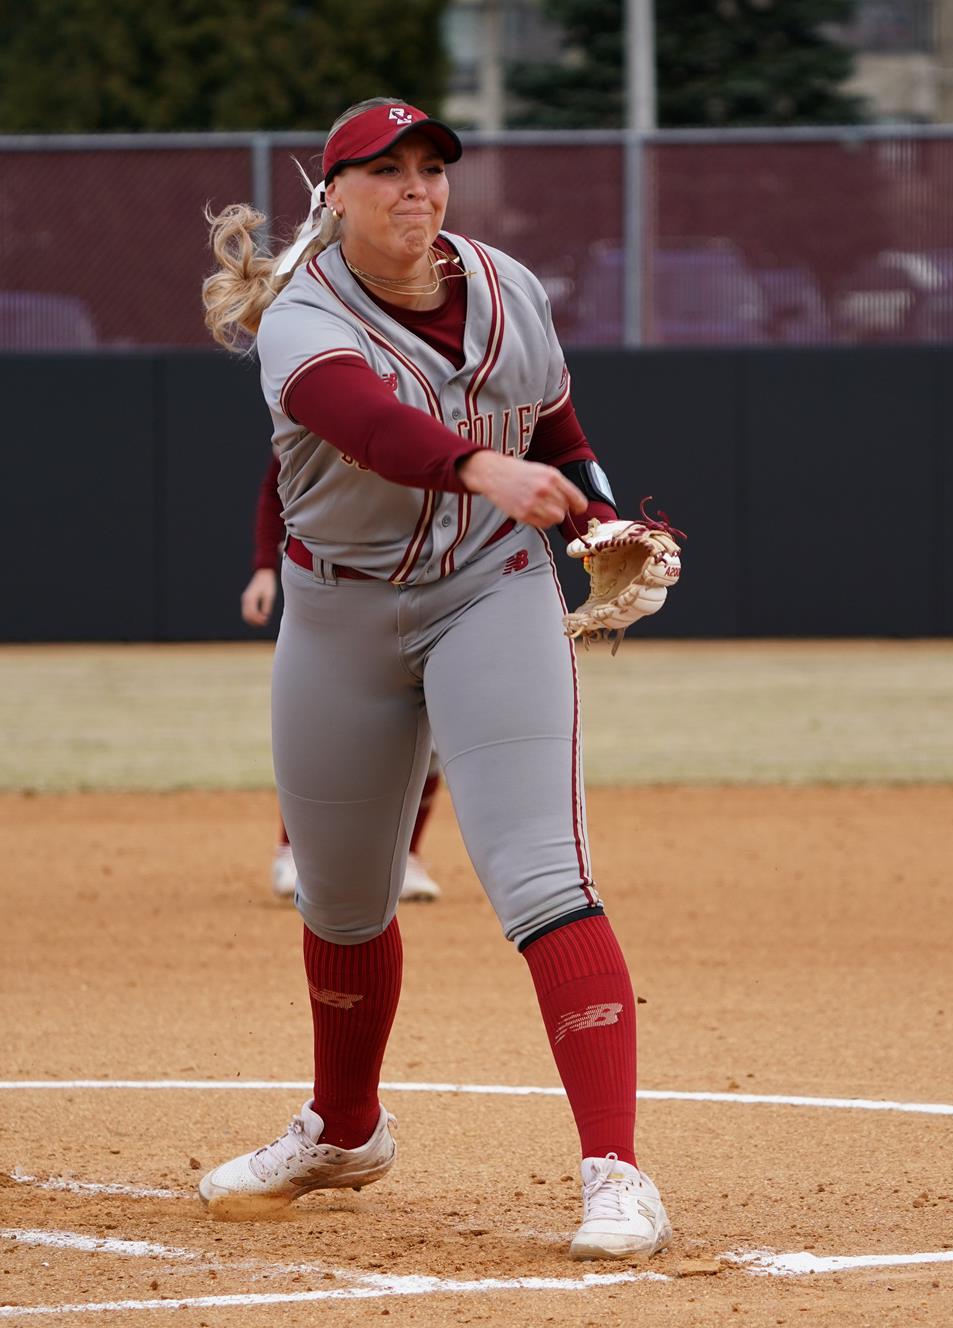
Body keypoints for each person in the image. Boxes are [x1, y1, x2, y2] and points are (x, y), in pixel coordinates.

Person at [194, 97, 672, 1260]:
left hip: (487, 592)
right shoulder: (299, 317)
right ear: (334, 194)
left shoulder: (508, 286)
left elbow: (556, 419)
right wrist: (477, 466)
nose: (415, 189)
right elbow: (361, 422)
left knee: (540, 874)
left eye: (430, 168)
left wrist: (599, 510)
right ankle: (344, 1129)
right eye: (385, 172)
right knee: (342, 899)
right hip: (336, 615)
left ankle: (615, 1172)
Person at [243, 461, 444, 904]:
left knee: (433, 736)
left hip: (433, 586)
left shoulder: (450, 410)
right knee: (328, 732)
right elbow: (275, 486)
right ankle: (292, 853)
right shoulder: (327, 406)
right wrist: (263, 567)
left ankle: (406, 858)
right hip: (345, 587)